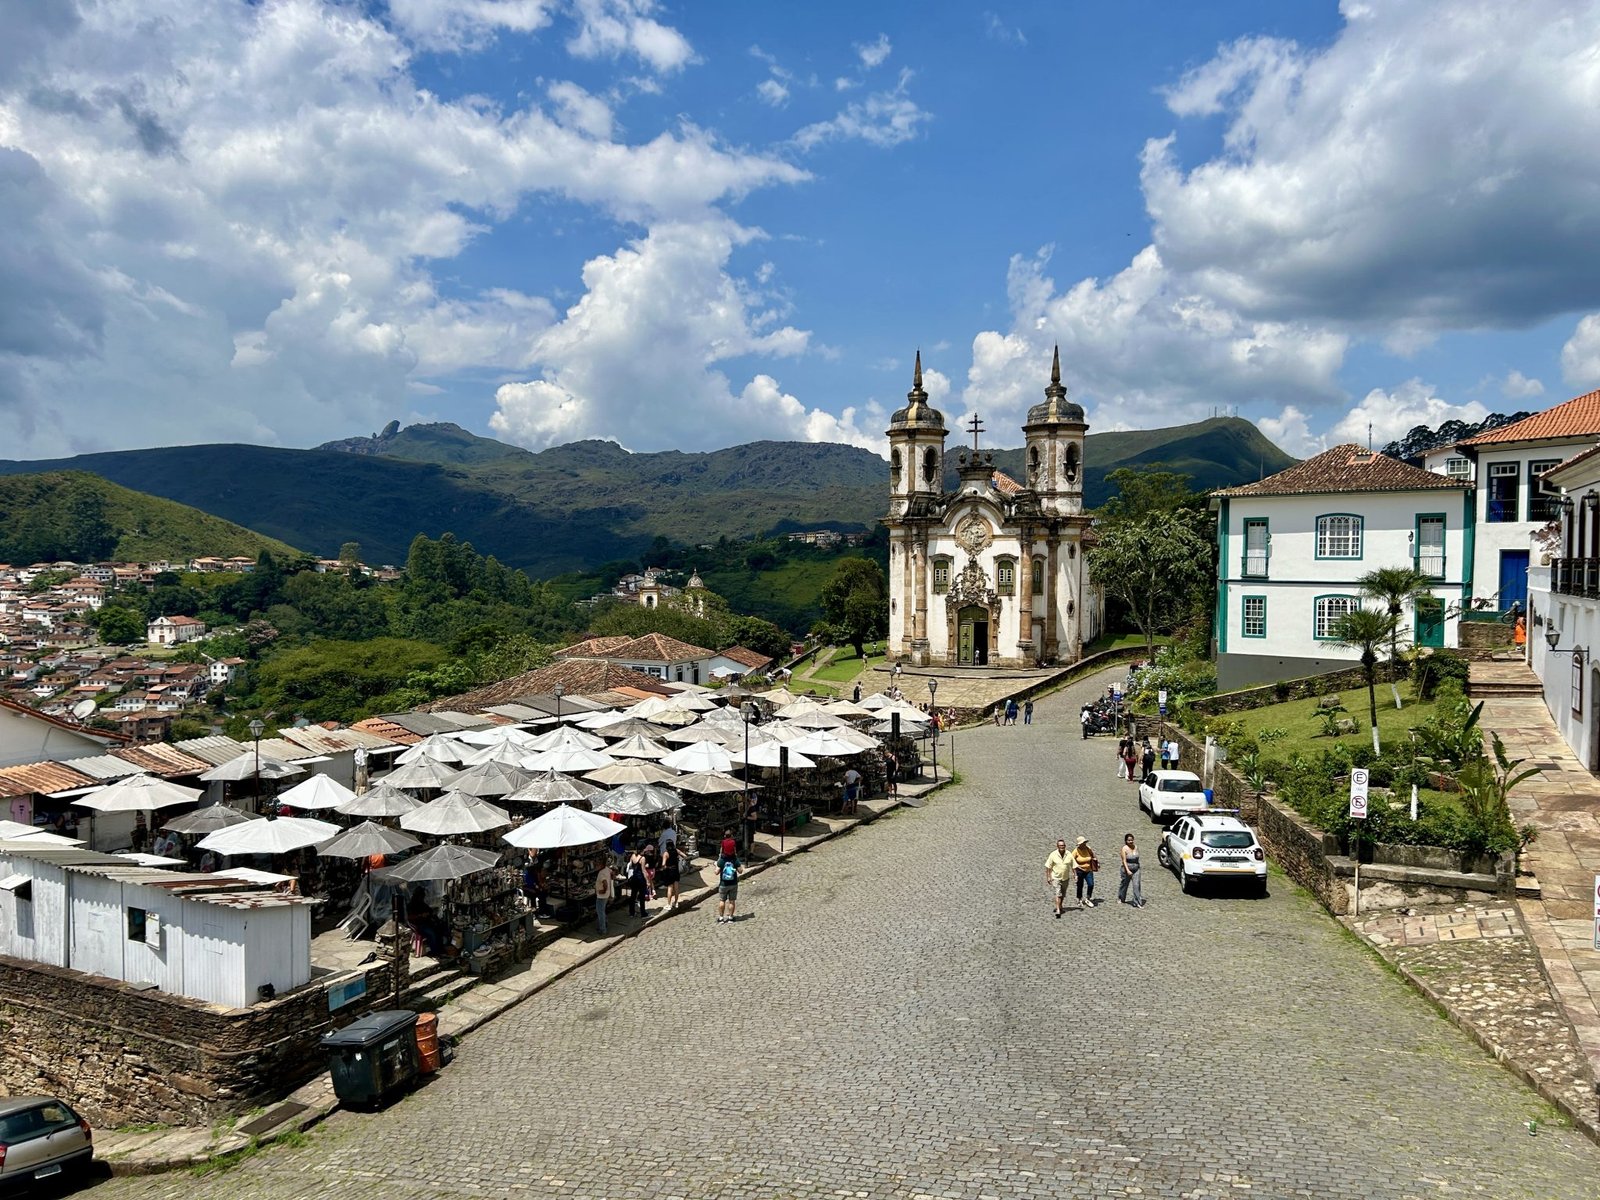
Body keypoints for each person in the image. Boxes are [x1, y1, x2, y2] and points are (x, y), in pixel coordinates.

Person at [1045, 838, 1074, 919]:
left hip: (1065, 877)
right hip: (1056, 877)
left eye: (1063, 845)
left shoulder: (1069, 854)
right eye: (1060, 845)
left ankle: (1060, 906)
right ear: (1057, 846)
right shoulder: (1053, 855)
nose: (1062, 847)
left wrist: (1075, 874)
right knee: (1058, 893)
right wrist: (1048, 877)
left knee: (1063, 893)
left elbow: (1073, 865)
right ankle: (1058, 910)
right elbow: (1048, 866)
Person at [1119, 834, 1144, 907]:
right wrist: (1127, 870)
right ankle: (1121, 898)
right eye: (1129, 840)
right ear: (1126, 841)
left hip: (1136, 869)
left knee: (1136, 885)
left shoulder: (1136, 847)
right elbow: (1124, 861)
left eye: (1132, 840)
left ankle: (1137, 902)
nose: (1130, 841)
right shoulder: (1124, 848)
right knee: (1124, 884)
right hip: (1127, 869)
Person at [1073, 837, 1097, 908]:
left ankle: (1088, 898)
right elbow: (1072, 861)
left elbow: (1093, 855)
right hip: (1079, 871)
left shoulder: (1088, 848)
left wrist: (1096, 862)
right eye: (1083, 843)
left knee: (1091, 884)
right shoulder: (1076, 851)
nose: (1084, 844)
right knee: (1080, 886)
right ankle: (1079, 899)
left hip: (1088, 870)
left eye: (1085, 843)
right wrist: (1075, 871)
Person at [658, 838, 682, 910]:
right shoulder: (676, 851)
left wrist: (664, 867)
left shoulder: (666, 853)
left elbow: (663, 864)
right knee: (676, 888)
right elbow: (684, 855)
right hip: (676, 870)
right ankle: (676, 902)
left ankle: (669, 904)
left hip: (670, 871)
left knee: (670, 888)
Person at [626, 847, 649, 918]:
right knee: (642, 897)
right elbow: (643, 870)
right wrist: (647, 881)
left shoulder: (633, 856)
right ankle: (643, 913)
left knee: (633, 895)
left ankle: (631, 912)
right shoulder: (642, 858)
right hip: (640, 878)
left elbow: (631, 865)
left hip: (634, 877)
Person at [716, 854, 739, 925]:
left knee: (722, 900)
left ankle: (721, 918)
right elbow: (740, 871)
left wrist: (716, 865)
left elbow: (716, 872)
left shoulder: (721, 861)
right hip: (733, 884)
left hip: (723, 885)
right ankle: (730, 918)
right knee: (732, 901)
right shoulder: (735, 860)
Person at [594, 860, 615, 934]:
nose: (595, 866)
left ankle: (603, 929)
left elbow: (605, 883)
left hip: (602, 896)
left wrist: (603, 890)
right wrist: (611, 880)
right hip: (607, 894)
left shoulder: (601, 873)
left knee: (600, 912)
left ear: (601, 865)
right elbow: (613, 873)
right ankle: (605, 923)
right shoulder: (606, 869)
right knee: (602, 910)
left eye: (597, 865)